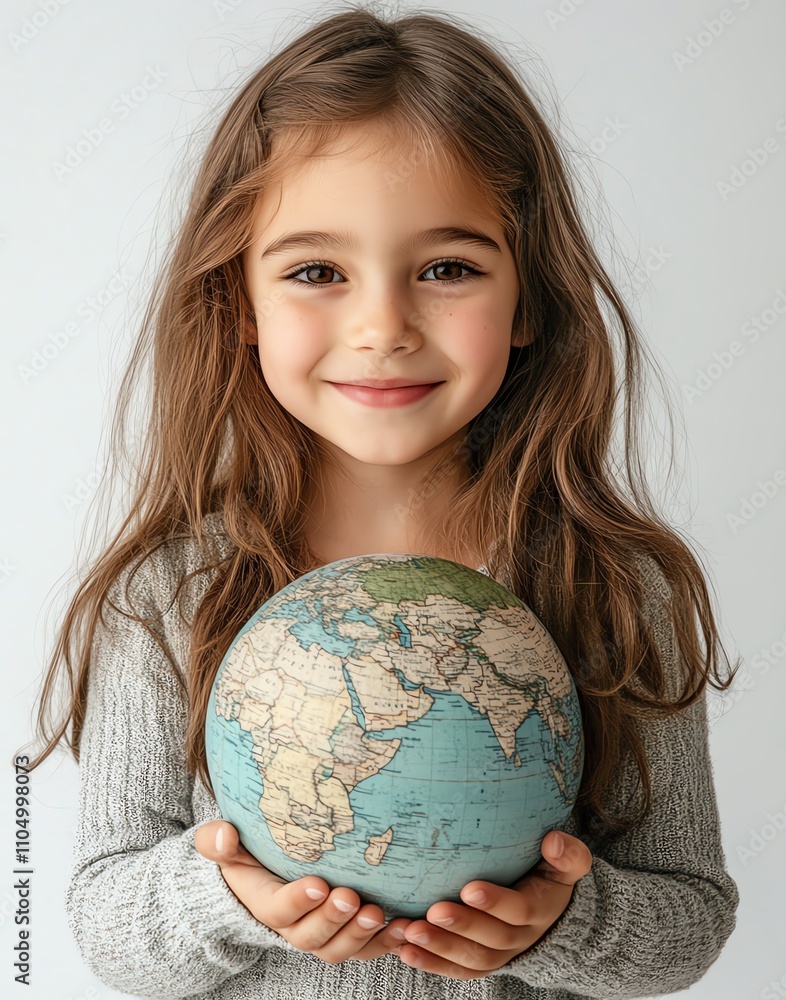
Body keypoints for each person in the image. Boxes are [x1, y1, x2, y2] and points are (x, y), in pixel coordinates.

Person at [20, 5, 741, 998]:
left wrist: (565, 920)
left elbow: (688, 916)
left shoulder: (614, 588)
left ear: (528, 297)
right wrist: (229, 897)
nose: (381, 326)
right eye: (316, 271)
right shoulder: (171, 590)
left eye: (445, 269)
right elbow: (105, 924)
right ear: (239, 302)